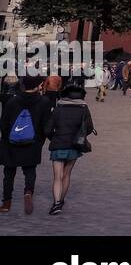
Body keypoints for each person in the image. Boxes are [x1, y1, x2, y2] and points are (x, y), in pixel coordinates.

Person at [44, 81, 95, 216]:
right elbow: (89, 128)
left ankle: (56, 203)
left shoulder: (58, 108)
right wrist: (80, 135)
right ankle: (61, 201)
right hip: (74, 145)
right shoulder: (84, 109)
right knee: (66, 175)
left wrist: (53, 137)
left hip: (58, 144)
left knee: (57, 177)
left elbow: (47, 129)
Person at [0, 75, 47, 215]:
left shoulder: (12, 101)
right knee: (30, 171)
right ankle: (28, 192)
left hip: (11, 142)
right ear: (36, 86)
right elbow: (45, 125)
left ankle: (6, 203)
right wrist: (40, 141)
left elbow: (3, 123)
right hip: (32, 142)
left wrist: (5, 139)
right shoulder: (44, 102)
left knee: (8, 173)